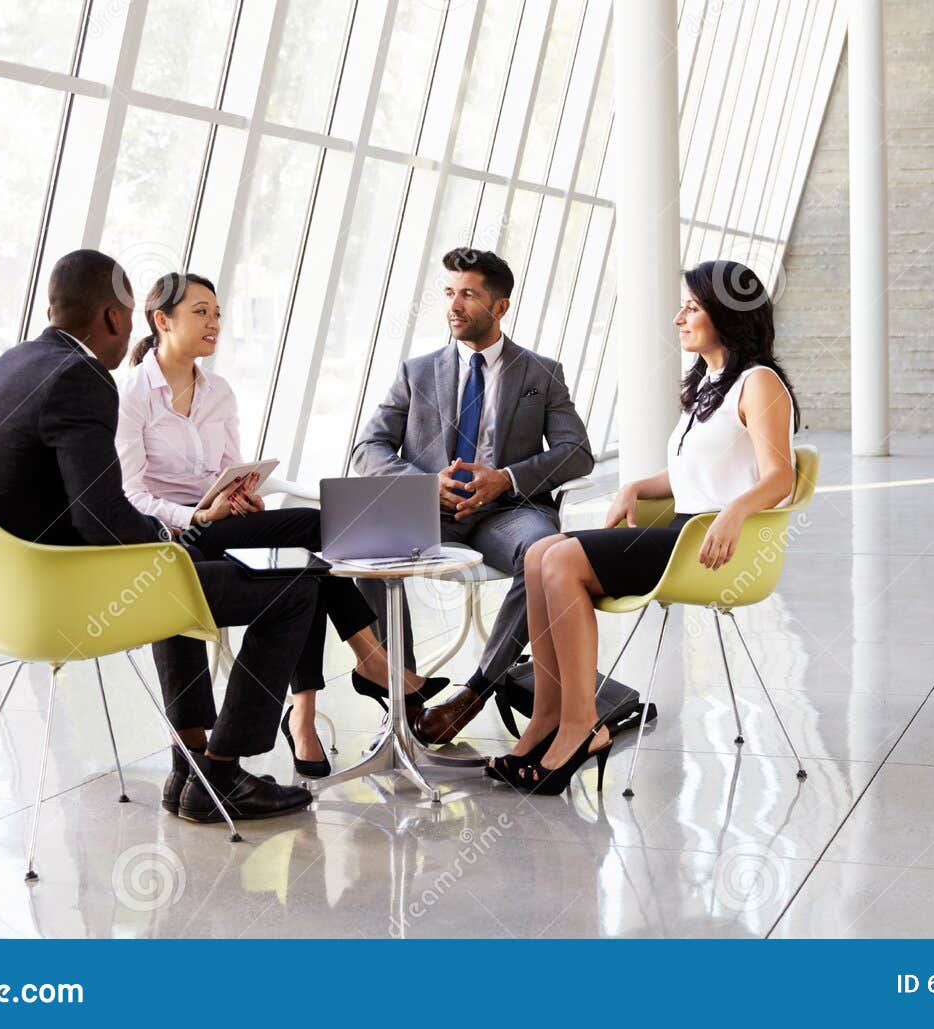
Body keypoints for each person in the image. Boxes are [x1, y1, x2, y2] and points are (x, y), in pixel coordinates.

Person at [0, 249, 314, 824]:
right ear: (116, 319)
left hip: (3, 600)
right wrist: (175, 538)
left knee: (172, 568)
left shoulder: (12, 364)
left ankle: (190, 771)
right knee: (291, 588)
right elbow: (102, 518)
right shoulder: (81, 378)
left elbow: (92, 512)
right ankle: (221, 774)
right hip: (67, 599)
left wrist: (170, 542)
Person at [115, 272, 445, 780]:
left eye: (218, 313)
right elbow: (132, 493)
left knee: (305, 560)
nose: (214, 323)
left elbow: (227, 467)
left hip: (218, 524)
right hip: (174, 534)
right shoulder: (134, 394)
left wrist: (241, 495)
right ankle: (366, 663)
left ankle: (310, 714)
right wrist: (196, 516)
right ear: (163, 320)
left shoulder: (217, 391)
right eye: (201, 312)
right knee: (311, 533)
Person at [487, 260, 800, 795]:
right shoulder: (710, 381)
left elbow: (781, 478)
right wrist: (636, 486)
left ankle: (581, 723)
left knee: (558, 557)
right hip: (681, 529)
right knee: (541, 552)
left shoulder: (759, 383)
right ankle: (547, 717)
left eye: (692, 308)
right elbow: (693, 472)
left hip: (710, 544)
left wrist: (734, 511)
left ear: (727, 316)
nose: (679, 318)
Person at [351, 247, 594, 744]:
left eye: (468, 294)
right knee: (364, 540)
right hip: (428, 511)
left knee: (548, 552)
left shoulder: (540, 373)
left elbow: (577, 452)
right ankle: (404, 693)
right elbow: (367, 447)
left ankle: (476, 691)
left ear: (499, 307)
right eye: (449, 293)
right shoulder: (415, 373)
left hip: (504, 514)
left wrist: (505, 478)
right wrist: (423, 484)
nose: (454, 305)